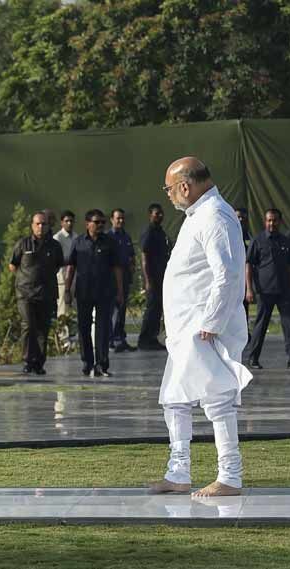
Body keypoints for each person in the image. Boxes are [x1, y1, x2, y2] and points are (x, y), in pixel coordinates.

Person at [150, 157, 252, 498]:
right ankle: (178, 473)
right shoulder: (199, 215)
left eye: (169, 188)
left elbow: (228, 274)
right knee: (175, 399)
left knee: (217, 399)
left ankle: (230, 477)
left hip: (203, 327)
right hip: (186, 328)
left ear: (185, 186)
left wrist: (212, 322)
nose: (168, 195)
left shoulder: (215, 216)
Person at [65, 209, 124, 377]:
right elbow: (71, 267)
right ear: (87, 224)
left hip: (105, 291)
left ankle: (102, 365)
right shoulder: (78, 242)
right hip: (84, 291)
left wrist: (120, 291)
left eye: (102, 222)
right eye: (97, 222)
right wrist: (67, 289)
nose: (100, 225)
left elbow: (117, 268)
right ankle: (87, 363)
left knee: (103, 329)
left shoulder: (110, 242)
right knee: (83, 328)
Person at [9, 212, 63, 375]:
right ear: (32, 225)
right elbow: (13, 265)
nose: (41, 227)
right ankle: (27, 361)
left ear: (48, 226)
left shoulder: (55, 246)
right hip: (25, 293)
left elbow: (58, 265)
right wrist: (24, 279)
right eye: (37, 224)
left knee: (42, 329)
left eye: (44, 224)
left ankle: (39, 363)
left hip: (46, 293)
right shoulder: (23, 244)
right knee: (28, 325)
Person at [242, 208, 290, 369]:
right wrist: (249, 289)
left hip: (284, 291)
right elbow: (249, 265)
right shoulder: (258, 241)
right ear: (265, 221)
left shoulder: (286, 242)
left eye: (275, 220)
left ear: (280, 222)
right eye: (269, 220)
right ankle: (253, 358)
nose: (272, 223)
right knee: (260, 325)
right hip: (265, 291)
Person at [137, 203, 170, 350]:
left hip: (161, 276)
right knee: (151, 308)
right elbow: (144, 256)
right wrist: (147, 280)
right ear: (150, 215)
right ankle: (144, 340)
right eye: (157, 214)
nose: (160, 216)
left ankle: (152, 338)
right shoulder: (149, 231)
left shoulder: (160, 231)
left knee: (157, 308)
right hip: (152, 277)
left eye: (161, 213)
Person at [109, 208, 137, 352]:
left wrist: (132, 264)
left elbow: (131, 254)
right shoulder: (108, 237)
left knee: (121, 309)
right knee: (113, 309)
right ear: (112, 220)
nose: (121, 221)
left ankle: (120, 338)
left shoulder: (126, 236)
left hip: (125, 277)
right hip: (112, 279)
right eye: (118, 218)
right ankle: (112, 340)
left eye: (122, 218)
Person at [53, 211, 77, 340]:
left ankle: (72, 337)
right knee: (62, 309)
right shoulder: (57, 238)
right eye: (67, 221)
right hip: (62, 280)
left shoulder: (76, 237)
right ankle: (63, 339)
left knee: (73, 309)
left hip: (75, 279)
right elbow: (57, 259)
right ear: (62, 222)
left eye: (71, 221)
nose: (69, 223)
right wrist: (70, 260)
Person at [235, 207, 253, 321]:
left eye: (243, 217)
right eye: (238, 217)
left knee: (243, 309)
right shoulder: (227, 234)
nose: (241, 220)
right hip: (230, 278)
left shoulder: (250, 238)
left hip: (244, 280)